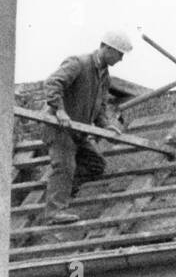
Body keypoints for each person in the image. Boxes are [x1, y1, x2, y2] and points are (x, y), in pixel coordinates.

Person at [40, 31, 133, 224]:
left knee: (95, 165)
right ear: (107, 48)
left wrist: (107, 126)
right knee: (64, 166)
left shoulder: (104, 77)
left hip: (79, 131)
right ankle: (54, 212)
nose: (122, 59)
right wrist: (59, 110)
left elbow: (99, 106)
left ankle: (59, 190)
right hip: (59, 128)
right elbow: (52, 83)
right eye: (119, 53)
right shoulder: (79, 63)